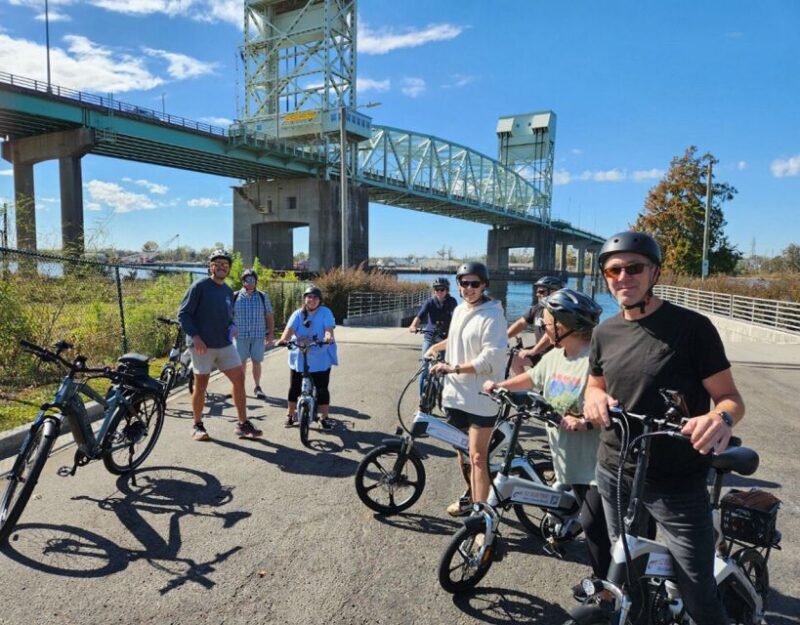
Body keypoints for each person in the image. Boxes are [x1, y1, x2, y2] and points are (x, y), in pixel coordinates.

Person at [582, 231, 744, 625]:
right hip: (615, 470)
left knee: (698, 596)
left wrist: (718, 418)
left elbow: (731, 400)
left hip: (677, 482)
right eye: (613, 270)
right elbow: (595, 382)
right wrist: (593, 397)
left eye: (634, 268)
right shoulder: (604, 331)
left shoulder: (692, 328)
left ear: (654, 272)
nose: (623, 277)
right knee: (630, 580)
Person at [483, 288, 610, 592]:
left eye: (548, 319)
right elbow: (533, 378)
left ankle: (606, 590)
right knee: (579, 516)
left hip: (596, 465)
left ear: (563, 325)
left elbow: (612, 404)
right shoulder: (555, 355)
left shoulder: (596, 360)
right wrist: (500, 385)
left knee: (596, 528)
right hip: (567, 459)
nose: (542, 323)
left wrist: (585, 421)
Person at [427, 262, 507, 516]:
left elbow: (491, 359)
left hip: (481, 399)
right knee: (462, 454)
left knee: (477, 458)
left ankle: (482, 517)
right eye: (464, 283)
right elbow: (458, 337)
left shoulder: (493, 315)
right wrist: (436, 348)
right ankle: (472, 498)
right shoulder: (461, 310)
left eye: (475, 284)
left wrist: (453, 368)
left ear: (484, 285)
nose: (469, 288)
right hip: (455, 396)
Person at [178, 249, 263, 441]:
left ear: (229, 268)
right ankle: (197, 425)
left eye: (225, 264)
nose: (222, 266)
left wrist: (231, 325)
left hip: (224, 344)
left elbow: (227, 314)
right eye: (217, 263)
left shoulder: (227, 291)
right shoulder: (199, 286)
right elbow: (183, 314)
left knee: (239, 378)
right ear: (211, 267)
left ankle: (242, 424)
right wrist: (196, 337)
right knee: (201, 385)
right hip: (202, 346)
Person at [277, 285, 337, 431]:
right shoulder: (298, 314)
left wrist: (328, 337)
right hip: (301, 353)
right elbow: (289, 329)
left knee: (322, 388)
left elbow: (329, 329)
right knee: (294, 387)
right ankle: (290, 414)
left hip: (319, 354)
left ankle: (324, 417)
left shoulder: (325, 312)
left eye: (315, 297)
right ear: (305, 299)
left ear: (319, 300)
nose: (312, 300)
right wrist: (284, 339)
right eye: (309, 297)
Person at [408, 277, 458, 396]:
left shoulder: (452, 302)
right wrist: (413, 326)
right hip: (430, 337)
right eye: (436, 289)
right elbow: (420, 316)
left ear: (447, 290)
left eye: (442, 289)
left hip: (445, 339)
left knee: (445, 368)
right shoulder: (429, 302)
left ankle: (445, 398)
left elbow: (456, 317)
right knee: (425, 370)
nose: (439, 292)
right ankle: (422, 401)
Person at [506, 276, 564, 375]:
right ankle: (525, 389)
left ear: (554, 292)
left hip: (556, 354)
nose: (537, 294)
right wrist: (502, 338)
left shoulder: (559, 312)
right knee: (516, 359)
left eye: (541, 292)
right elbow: (521, 323)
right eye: (536, 291)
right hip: (540, 352)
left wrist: (533, 351)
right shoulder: (537, 308)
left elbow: (551, 334)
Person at [233, 268, 275, 400]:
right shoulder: (234, 297)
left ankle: (257, 387)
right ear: (243, 281)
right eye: (247, 280)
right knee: (241, 363)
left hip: (258, 335)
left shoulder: (263, 296)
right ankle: (240, 387)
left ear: (256, 281)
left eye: (253, 280)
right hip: (240, 336)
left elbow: (269, 316)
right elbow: (227, 317)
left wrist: (271, 333)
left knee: (257, 361)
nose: (250, 282)